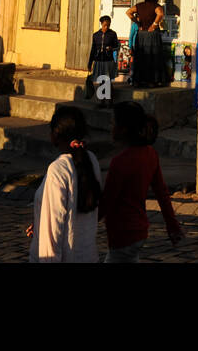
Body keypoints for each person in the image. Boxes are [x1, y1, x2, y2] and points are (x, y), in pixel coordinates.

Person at [100, 102, 184, 262]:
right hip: (139, 230)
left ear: (123, 129)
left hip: (122, 233)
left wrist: (82, 223)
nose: (111, 127)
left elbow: (107, 201)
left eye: (113, 123)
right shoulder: (150, 154)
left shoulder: (120, 162)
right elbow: (162, 193)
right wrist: (172, 225)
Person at [27, 105, 103, 262]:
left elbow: (54, 228)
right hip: (87, 254)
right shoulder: (91, 160)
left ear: (55, 135)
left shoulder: (58, 169)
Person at [128, 0, 168, 88]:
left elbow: (128, 12)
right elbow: (160, 14)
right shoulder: (156, 6)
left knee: (140, 57)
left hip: (141, 35)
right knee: (153, 57)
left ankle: (138, 81)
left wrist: (137, 23)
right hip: (152, 34)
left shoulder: (139, 5)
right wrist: (154, 25)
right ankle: (152, 81)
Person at [88, 15, 119, 108]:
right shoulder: (96, 35)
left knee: (107, 81)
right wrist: (90, 63)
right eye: (105, 25)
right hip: (98, 61)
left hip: (108, 61)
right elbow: (93, 49)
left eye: (108, 25)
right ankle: (102, 101)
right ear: (101, 24)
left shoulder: (113, 34)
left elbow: (117, 46)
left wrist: (111, 48)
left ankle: (109, 101)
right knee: (101, 81)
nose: (106, 27)